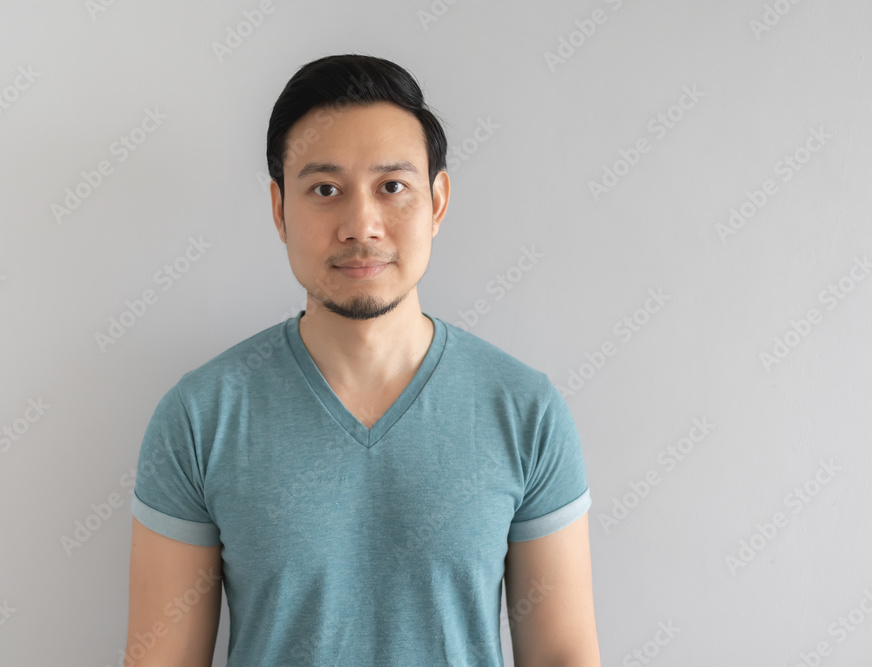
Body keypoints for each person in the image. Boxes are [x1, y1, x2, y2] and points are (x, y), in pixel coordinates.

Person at [125, 53, 601, 666]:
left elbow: (563, 656)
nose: (361, 225)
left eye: (392, 187)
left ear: (437, 202)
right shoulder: (200, 418)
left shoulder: (525, 412)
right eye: (325, 190)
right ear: (279, 210)